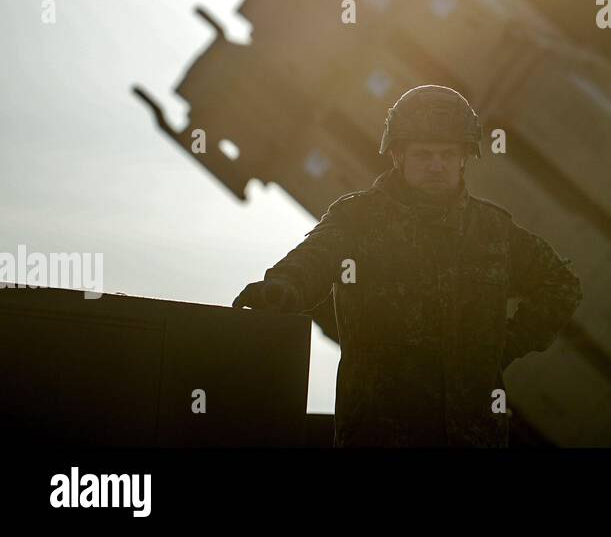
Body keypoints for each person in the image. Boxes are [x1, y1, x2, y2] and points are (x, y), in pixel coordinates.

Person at [232, 85, 582, 446]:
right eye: (423, 154)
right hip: (379, 436)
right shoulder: (358, 219)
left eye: (448, 154)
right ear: (398, 155)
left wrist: (503, 347)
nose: (436, 166)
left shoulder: (493, 231)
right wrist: (283, 287)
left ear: (464, 157)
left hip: (473, 438)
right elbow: (314, 259)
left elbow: (561, 285)